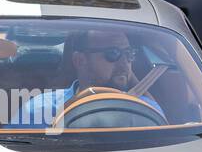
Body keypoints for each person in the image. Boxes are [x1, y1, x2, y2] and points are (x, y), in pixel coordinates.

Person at [12, 29, 164, 128]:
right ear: (80, 60)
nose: (125, 63)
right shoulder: (39, 110)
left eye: (129, 54)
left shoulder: (147, 110)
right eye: (113, 53)